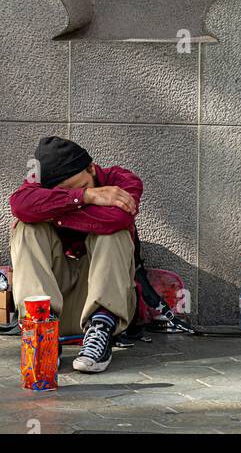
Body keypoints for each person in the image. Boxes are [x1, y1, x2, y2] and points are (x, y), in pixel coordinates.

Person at [9, 136, 142, 373]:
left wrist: (51, 210)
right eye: (63, 192)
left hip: (105, 303)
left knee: (114, 232)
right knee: (27, 228)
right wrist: (86, 197)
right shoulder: (40, 183)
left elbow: (118, 218)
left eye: (80, 186)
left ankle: (100, 331)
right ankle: (41, 332)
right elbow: (20, 206)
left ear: (91, 168)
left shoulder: (120, 180)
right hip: (54, 302)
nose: (74, 193)